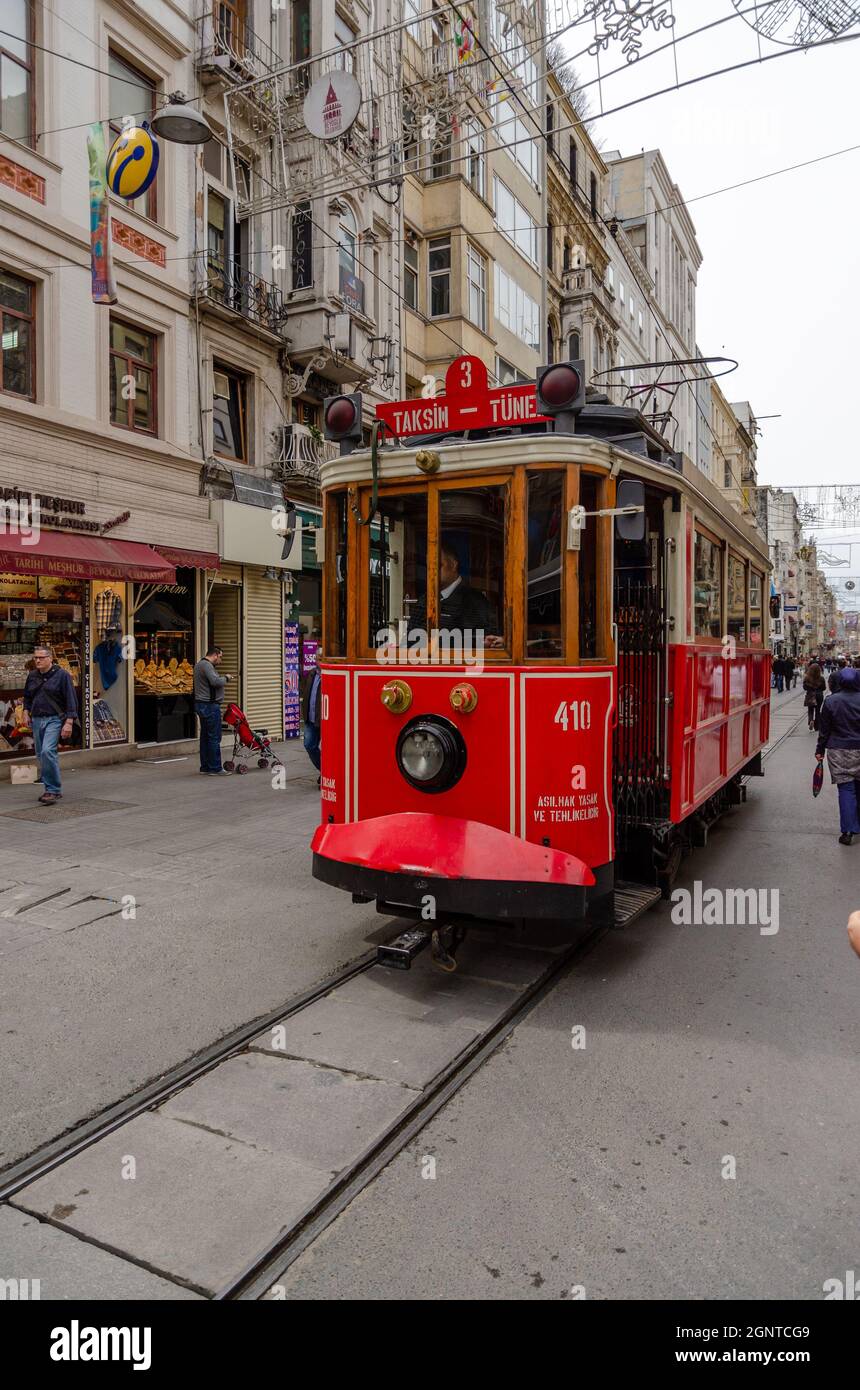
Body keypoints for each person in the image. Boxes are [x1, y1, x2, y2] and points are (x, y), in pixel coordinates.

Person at [21, 644, 79, 805]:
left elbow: (71, 699)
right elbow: (27, 696)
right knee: (41, 754)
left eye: (41, 658)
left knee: (47, 751)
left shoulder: (62, 675)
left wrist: (69, 722)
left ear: (50, 659)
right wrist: (26, 712)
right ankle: (50, 786)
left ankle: (52, 790)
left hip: (54, 719)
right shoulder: (32, 676)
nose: (37, 660)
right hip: (37, 719)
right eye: (35, 657)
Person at [815, 666, 860, 845]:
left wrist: (820, 750)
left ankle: (848, 831)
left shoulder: (832, 701)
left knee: (846, 789)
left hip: (839, 750)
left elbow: (824, 730)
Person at [439, 544, 503, 647]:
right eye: (428, 566)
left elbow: (490, 641)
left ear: (454, 565)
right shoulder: (425, 599)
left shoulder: (476, 601)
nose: (431, 571)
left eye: (438, 565)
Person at [193, 645, 232, 775]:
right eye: (220, 657)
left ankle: (205, 767)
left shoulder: (199, 665)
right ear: (214, 655)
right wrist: (226, 677)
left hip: (202, 705)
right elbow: (215, 682)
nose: (220, 660)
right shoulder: (207, 666)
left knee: (205, 737)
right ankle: (215, 768)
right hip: (209, 706)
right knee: (214, 737)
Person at [302, 649, 322, 782]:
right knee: (309, 745)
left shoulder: (332, 675)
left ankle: (328, 774)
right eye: (318, 658)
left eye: (322, 657)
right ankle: (325, 771)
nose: (319, 660)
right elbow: (306, 694)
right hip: (311, 718)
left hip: (326, 719)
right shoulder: (311, 674)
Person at [803, 661, 826, 731]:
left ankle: (811, 721)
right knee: (818, 710)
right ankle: (817, 726)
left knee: (810, 710)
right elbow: (824, 688)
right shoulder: (821, 678)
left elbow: (805, 687)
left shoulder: (807, 678)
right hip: (819, 695)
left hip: (810, 695)